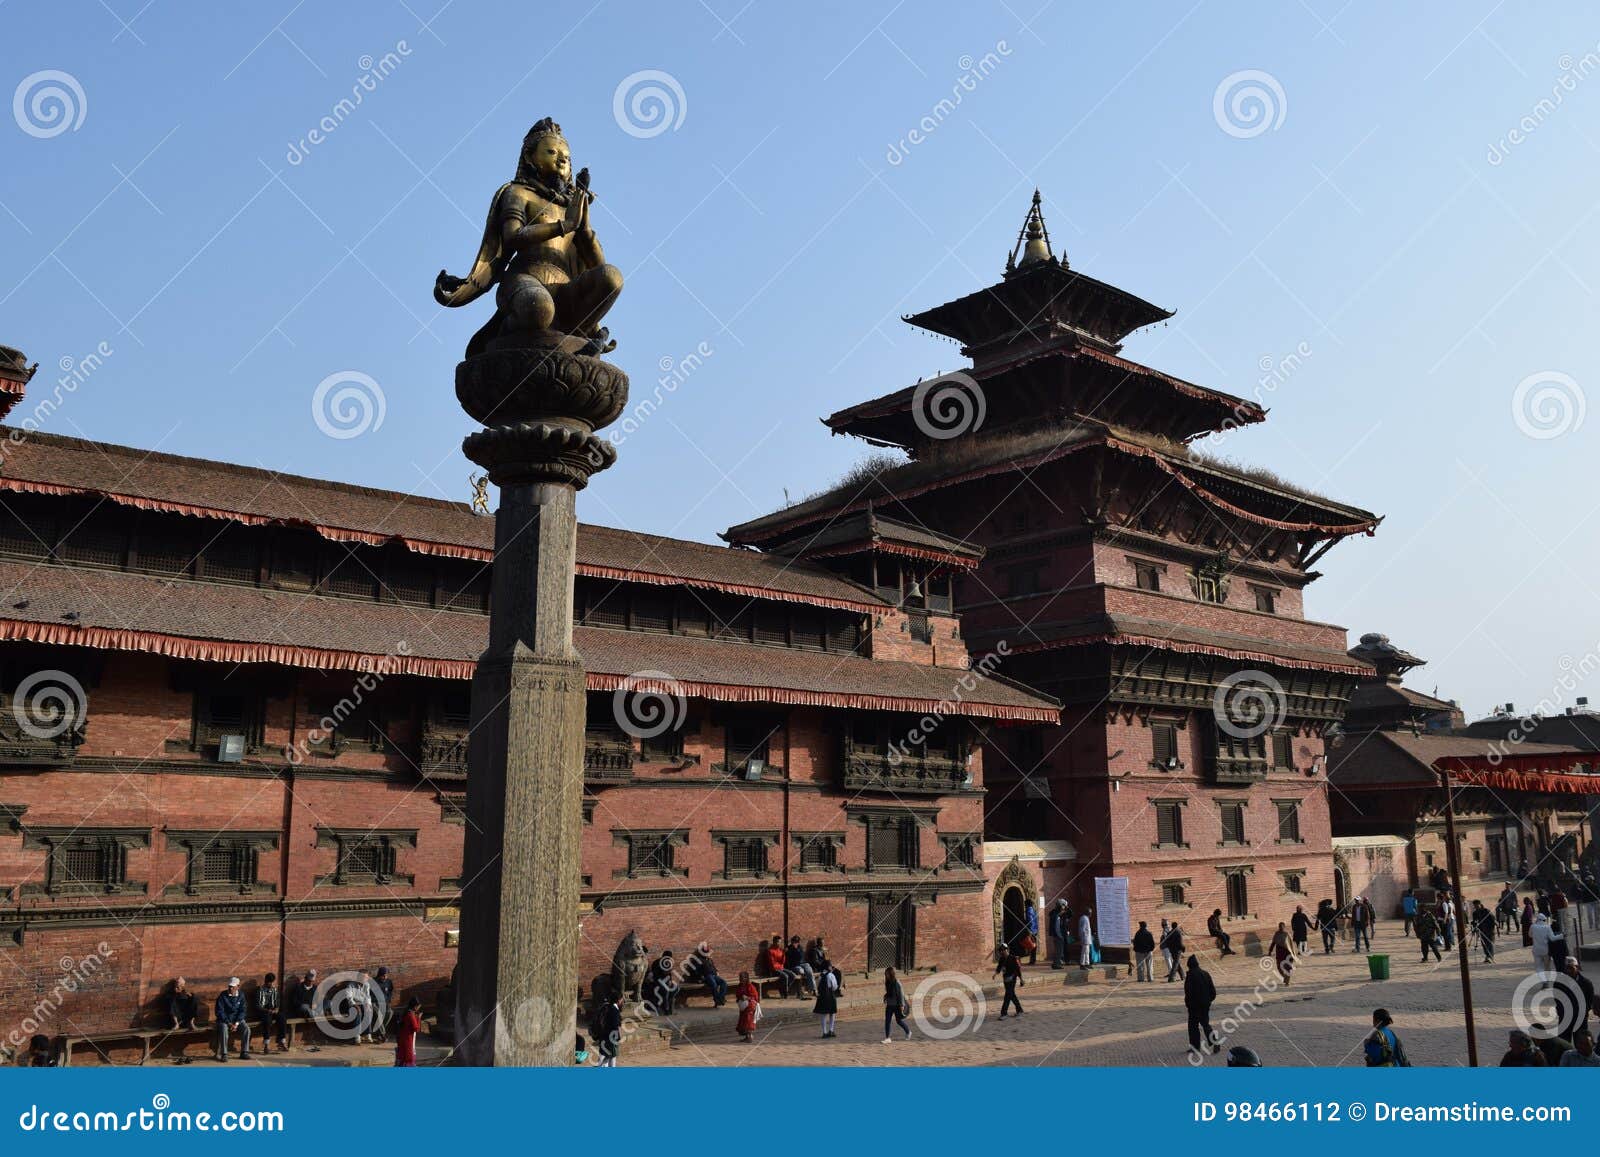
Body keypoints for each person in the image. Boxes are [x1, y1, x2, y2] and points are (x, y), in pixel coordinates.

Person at [1183, 956, 1216, 1058]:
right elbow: (1213, 992)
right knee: (1206, 1025)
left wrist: (1188, 1004)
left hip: (1194, 1007)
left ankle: (1195, 1047)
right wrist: (1208, 1001)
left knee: (1193, 1027)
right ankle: (1215, 1042)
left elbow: (1188, 992)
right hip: (1205, 1005)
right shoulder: (1206, 974)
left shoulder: (1190, 976)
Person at [214, 977, 251, 1061]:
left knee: (247, 1029)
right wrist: (229, 1023)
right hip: (225, 1020)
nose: (230, 988)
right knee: (223, 1029)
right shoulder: (222, 995)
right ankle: (224, 1053)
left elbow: (243, 1011)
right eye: (229, 986)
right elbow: (219, 1012)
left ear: (238, 986)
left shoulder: (241, 995)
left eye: (233, 986)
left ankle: (244, 1052)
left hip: (237, 1020)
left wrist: (237, 1023)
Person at [1560, 959, 1595, 1041]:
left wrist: (1584, 1011)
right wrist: (1561, 1011)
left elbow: (1590, 1000)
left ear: (1577, 967)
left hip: (1580, 1019)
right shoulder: (1560, 983)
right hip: (1565, 1017)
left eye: (1571, 968)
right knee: (1564, 1041)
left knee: (1581, 1041)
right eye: (1567, 968)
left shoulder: (1586, 983)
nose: (1568, 971)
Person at [255, 972, 285, 1053]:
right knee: (267, 1020)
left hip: (272, 1011)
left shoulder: (274, 990)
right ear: (265, 981)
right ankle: (266, 1045)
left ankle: (281, 1042)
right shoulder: (259, 990)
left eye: (272, 982)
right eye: (269, 982)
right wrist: (267, 1011)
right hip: (263, 1012)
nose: (270, 984)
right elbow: (257, 1006)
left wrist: (277, 1009)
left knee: (282, 1017)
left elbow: (277, 1002)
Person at [881, 966, 912, 1043]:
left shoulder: (897, 982)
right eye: (885, 974)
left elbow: (901, 994)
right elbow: (889, 992)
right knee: (887, 1021)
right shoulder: (887, 982)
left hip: (897, 1005)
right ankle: (887, 1038)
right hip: (889, 1005)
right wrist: (886, 996)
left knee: (899, 1021)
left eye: (887, 974)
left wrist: (902, 1005)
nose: (886, 976)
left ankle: (908, 1032)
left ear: (891, 974)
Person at [813, 957, 841, 1038]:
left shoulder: (820, 976)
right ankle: (831, 1030)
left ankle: (824, 1032)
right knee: (832, 1013)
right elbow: (834, 987)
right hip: (830, 996)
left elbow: (816, 986)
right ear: (827, 967)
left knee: (823, 1015)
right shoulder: (831, 975)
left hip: (822, 996)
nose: (831, 967)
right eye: (830, 966)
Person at [646, 948, 678, 1015]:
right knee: (665, 991)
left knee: (675, 988)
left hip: (665, 982)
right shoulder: (657, 963)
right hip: (657, 982)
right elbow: (655, 975)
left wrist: (670, 981)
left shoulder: (667, 963)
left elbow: (669, 974)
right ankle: (666, 1009)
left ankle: (670, 1006)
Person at [994, 947, 1024, 1017]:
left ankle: (1004, 1013)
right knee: (1012, 994)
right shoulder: (1002, 959)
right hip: (1006, 979)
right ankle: (1019, 1010)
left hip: (1012, 978)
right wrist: (995, 974)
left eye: (1003, 950)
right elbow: (999, 967)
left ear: (1007, 950)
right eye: (1000, 951)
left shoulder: (1013, 958)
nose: (1002, 952)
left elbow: (1018, 969)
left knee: (1007, 995)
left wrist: (1021, 979)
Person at [394, 996, 422, 1067]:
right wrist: (418, 1018)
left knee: (403, 1058)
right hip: (408, 1039)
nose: (418, 1008)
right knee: (408, 1059)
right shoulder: (410, 1014)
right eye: (418, 1006)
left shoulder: (407, 1012)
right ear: (415, 1006)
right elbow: (416, 1028)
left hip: (403, 1038)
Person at [596, 991, 622, 1067]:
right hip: (610, 1038)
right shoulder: (614, 1010)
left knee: (604, 1057)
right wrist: (617, 1038)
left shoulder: (605, 1007)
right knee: (610, 1058)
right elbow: (615, 1025)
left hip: (603, 1036)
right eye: (621, 999)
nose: (622, 1001)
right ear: (618, 1000)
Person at [734, 970, 761, 1042]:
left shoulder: (750, 986)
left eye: (743, 978)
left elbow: (755, 997)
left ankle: (750, 1036)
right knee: (743, 1021)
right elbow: (738, 995)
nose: (741, 979)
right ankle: (746, 1036)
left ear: (746, 978)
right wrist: (740, 998)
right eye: (740, 978)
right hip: (743, 1007)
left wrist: (747, 997)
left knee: (748, 1021)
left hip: (750, 1006)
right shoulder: (739, 986)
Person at [370, 967, 395, 1044]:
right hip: (374, 1002)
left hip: (385, 1003)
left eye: (386, 975)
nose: (385, 977)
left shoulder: (389, 982)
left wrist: (388, 1001)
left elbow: (390, 992)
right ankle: (383, 1034)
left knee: (390, 1012)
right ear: (379, 975)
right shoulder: (373, 982)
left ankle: (379, 1031)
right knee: (379, 1015)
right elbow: (369, 994)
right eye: (383, 975)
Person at [1530, 912, 1555, 976]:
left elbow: (1530, 935)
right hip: (1545, 950)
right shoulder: (1547, 927)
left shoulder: (1533, 926)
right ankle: (1547, 980)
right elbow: (1552, 938)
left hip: (1536, 950)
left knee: (1539, 967)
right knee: (1547, 966)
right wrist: (1561, 936)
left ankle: (1543, 980)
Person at [1049, 899, 1070, 969]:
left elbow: (1071, 914)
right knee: (1059, 950)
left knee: (1058, 950)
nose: (1064, 907)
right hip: (1058, 935)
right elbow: (1057, 927)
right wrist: (1060, 936)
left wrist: (1066, 907)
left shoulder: (1056, 915)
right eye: (1063, 906)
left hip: (1057, 935)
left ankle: (1056, 963)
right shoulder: (1057, 916)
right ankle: (1056, 964)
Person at [1022, 900, 1039, 965]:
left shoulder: (1029, 910)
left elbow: (1030, 921)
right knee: (1033, 945)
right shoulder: (1033, 910)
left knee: (1032, 945)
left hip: (1032, 930)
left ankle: (1032, 960)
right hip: (1035, 930)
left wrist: (1030, 931)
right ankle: (1033, 960)